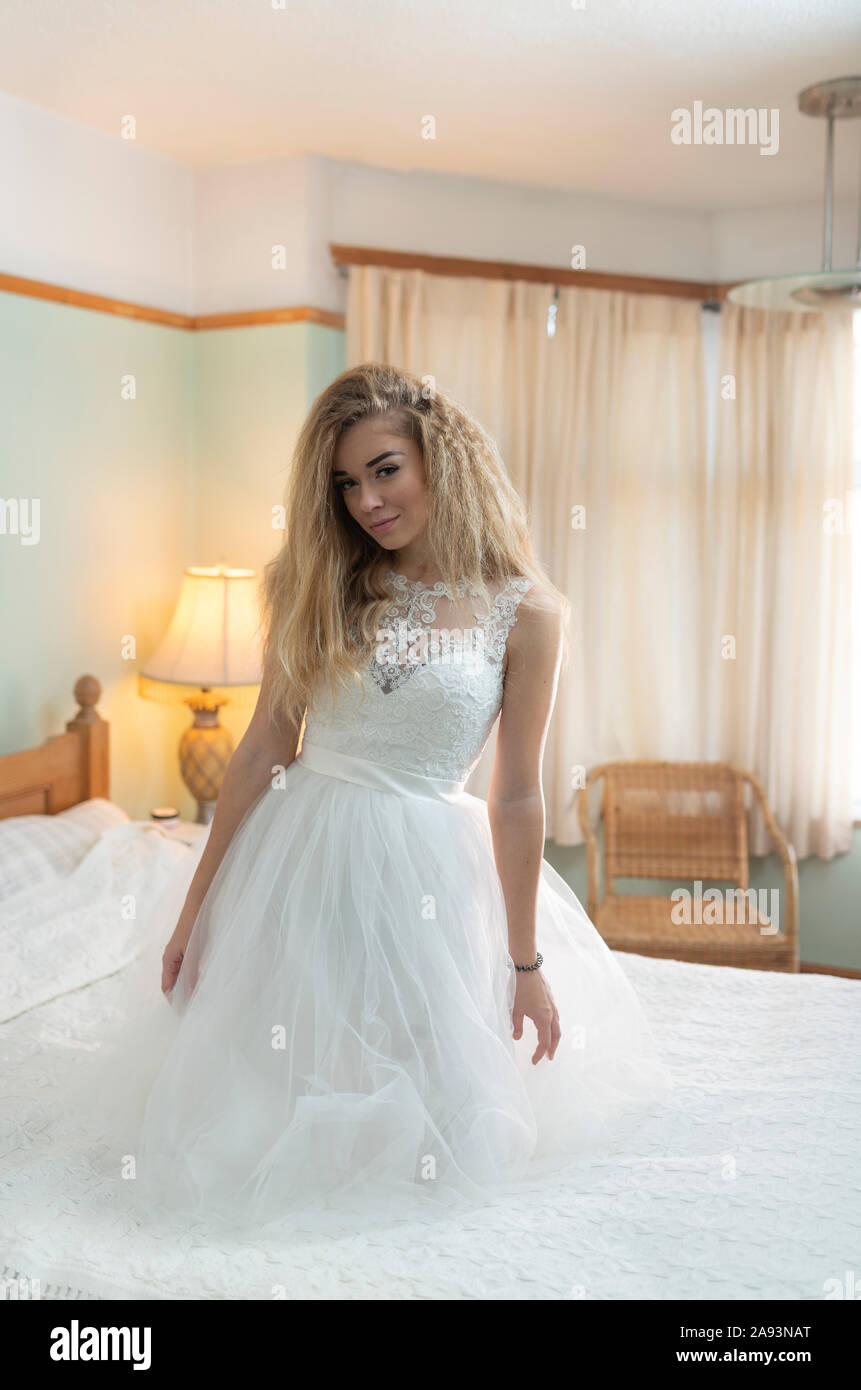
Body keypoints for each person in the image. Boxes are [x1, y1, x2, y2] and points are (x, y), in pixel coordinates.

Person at [68, 362, 672, 1237]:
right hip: (298, 852)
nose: (365, 502)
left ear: (442, 460)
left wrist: (525, 965)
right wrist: (194, 912)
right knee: (273, 1078)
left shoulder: (526, 611)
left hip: (428, 867)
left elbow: (513, 796)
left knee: (433, 1101)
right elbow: (266, 749)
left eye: (384, 469)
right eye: (345, 484)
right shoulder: (313, 585)